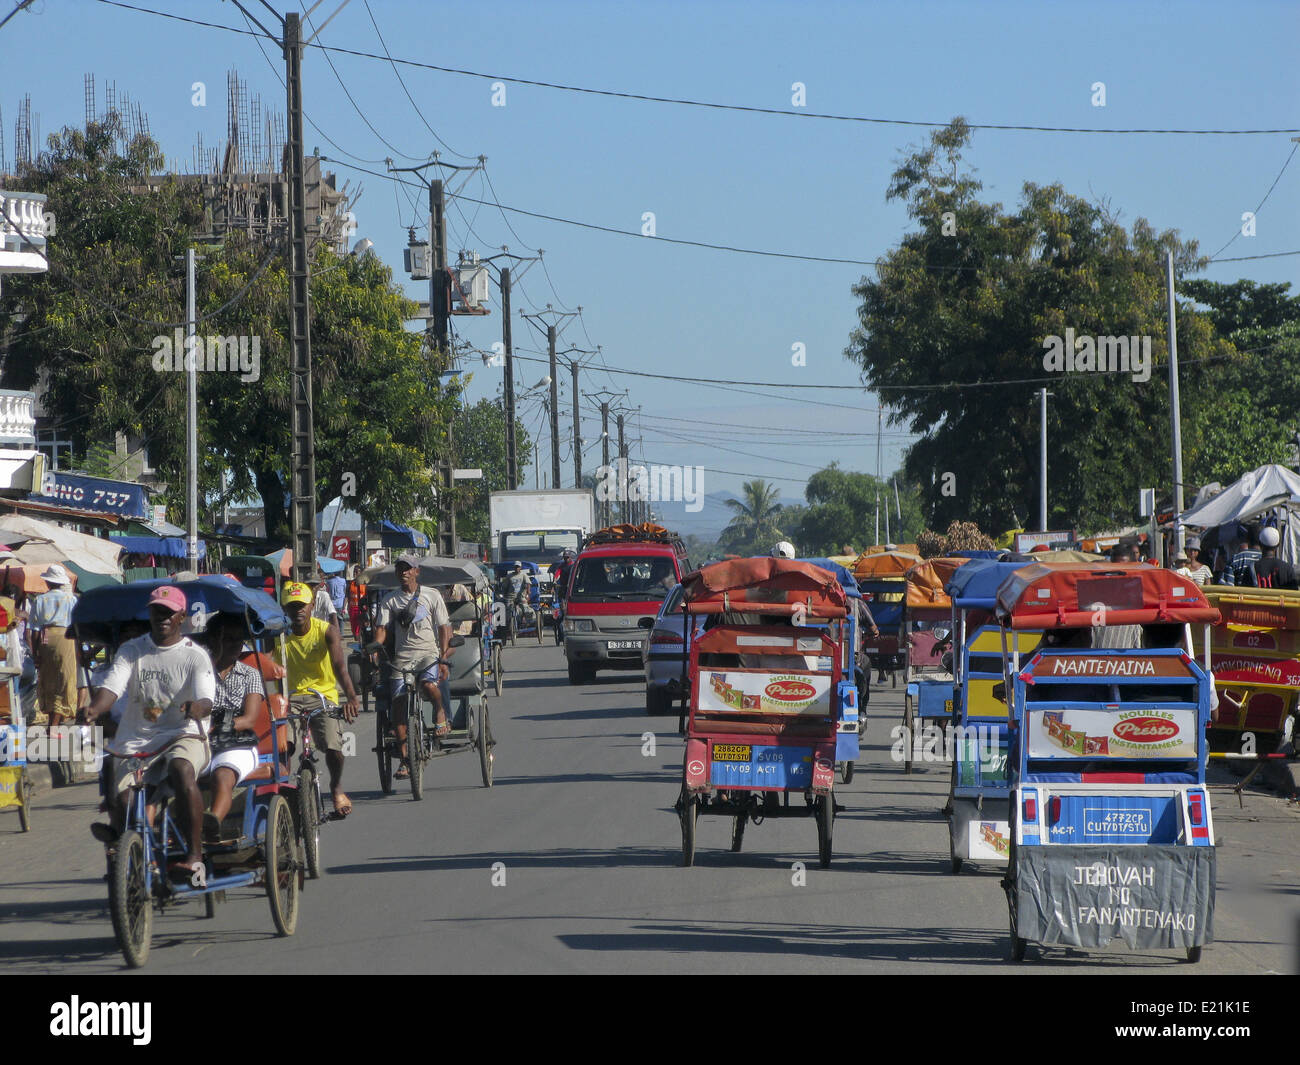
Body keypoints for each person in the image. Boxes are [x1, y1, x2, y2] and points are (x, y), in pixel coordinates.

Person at [86, 586, 215, 880]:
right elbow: (112, 687)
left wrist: (197, 707)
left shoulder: (195, 656)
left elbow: (207, 699)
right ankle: (131, 845)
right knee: (123, 799)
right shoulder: (132, 650)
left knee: (181, 770)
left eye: (169, 613)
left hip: (184, 735)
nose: (162, 618)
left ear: (181, 616)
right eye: (157, 611)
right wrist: (95, 707)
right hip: (137, 739)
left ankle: (194, 856)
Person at [281, 581, 360, 818]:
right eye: (292, 607)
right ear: (285, 609)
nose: (298, 611)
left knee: (334, 746)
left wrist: (351, 698)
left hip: (323, 697)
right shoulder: (277, 636)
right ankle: (283, 791)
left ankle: (336, 787)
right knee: (283, 746)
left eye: (302, 606)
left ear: (312, 605)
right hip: (290, 699)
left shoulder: (327, 630)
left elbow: (339, 667)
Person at [374, 555, 451, 776]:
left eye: (408, 569)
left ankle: (439, 712)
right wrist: (375, 646)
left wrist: (443, 656)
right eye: (400, 569)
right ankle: (406, 759)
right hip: (403, 657)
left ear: (417, 571)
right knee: (397, 704)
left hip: (428, 653)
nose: (404, 573)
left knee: (428, 685)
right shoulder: (390, 600)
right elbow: (382, 628)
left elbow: (444, 627)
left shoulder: (432, 595)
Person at [200, 614, 265, 840]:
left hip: (236, 743)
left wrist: (215, 727)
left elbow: (248, 719)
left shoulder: (250, 675)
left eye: (239, 639)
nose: (235, 645)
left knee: (222, 774)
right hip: (199, 741)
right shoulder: (199, 673)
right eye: (228, 639)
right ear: (213, 641)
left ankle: (213, 822)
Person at [28, 564, 78, 727]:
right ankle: (55, 721)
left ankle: (53, 719)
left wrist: (35, 652)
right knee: (64, 679)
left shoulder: (40, 600)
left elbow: (34, 630)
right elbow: (76, 626)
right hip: (66, 639)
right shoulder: (71, 599)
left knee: (48, 679)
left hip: (46, 639)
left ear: (48, 583)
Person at [325, 566, 347, 632]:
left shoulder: (329, 581)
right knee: (341, 619)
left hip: (332, 603)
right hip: (340, 603)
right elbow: (345, 590)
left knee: (332, 619)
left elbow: (327, 590)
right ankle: (341, 634)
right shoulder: (343, 581)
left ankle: (334, 632)